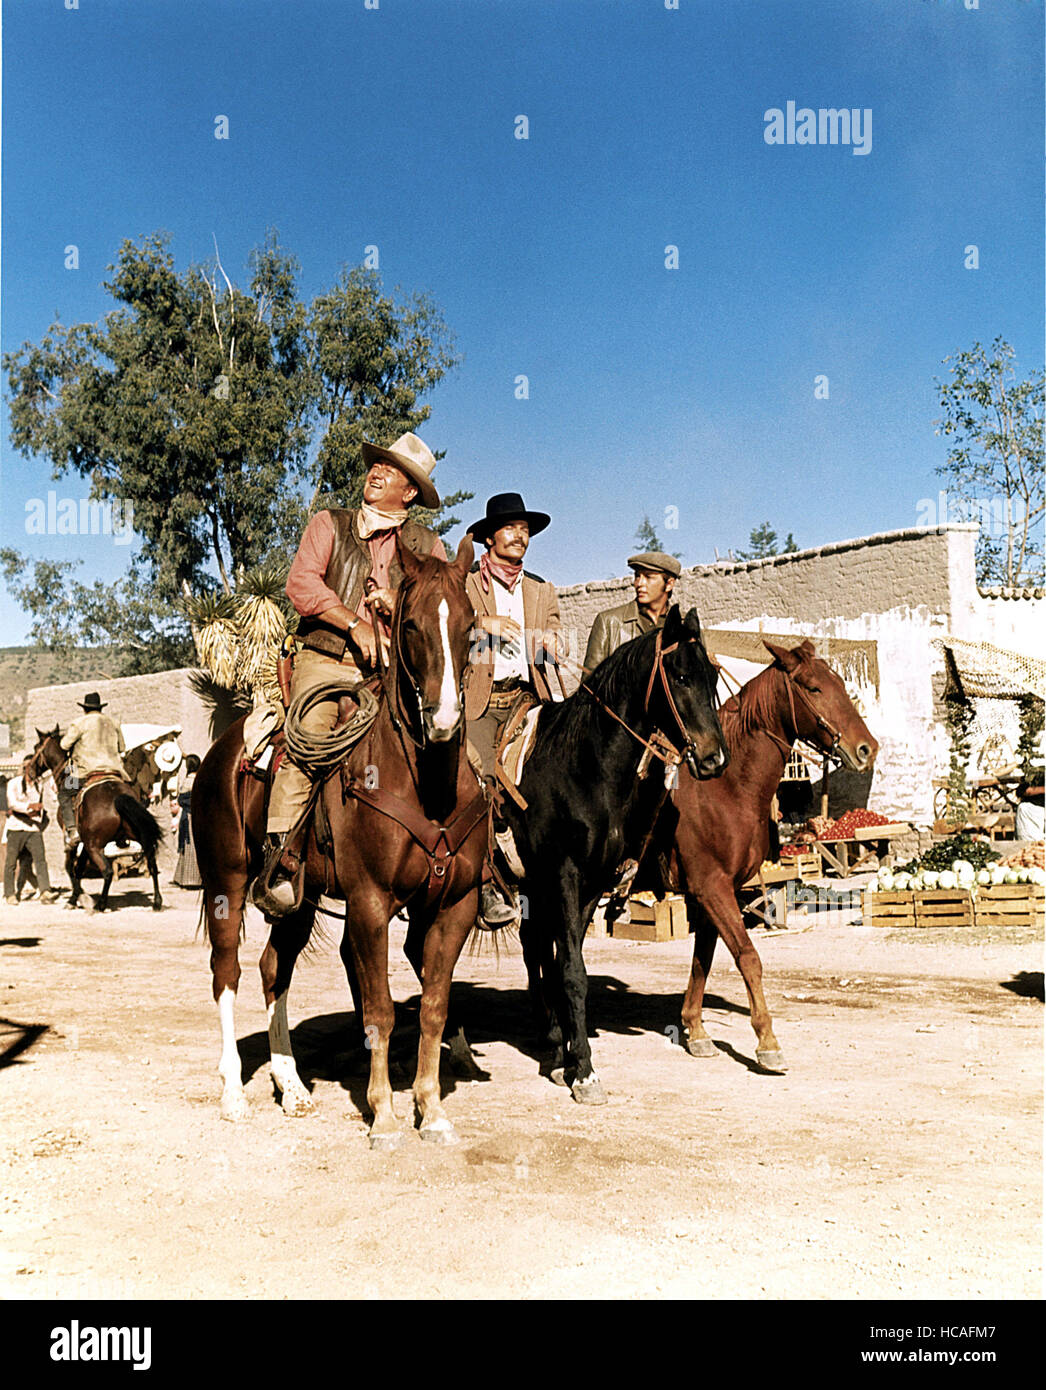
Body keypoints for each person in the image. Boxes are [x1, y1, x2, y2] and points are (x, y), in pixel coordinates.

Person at [254, 431, 447, 916]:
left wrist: (395, 605)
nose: (376, 471)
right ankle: (281, 859)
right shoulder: (330, 523)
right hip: (327, 660)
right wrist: (355, 622)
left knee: (444, 744)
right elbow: (301, 584)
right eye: (377, 465)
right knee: (309, 740)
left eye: (391, 470)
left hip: (392, 672)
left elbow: (439, 601)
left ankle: (468, 865)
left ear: (409, 493)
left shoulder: (428, 545)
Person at [464, 492, 564, 926]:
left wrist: (552, 642)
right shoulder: (465, 583)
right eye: (511, 528)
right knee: (480, 780)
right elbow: (444, 628)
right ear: (489, 538)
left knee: (558, 773)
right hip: (482, 701)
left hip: (529, 695)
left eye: (525, 531)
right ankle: (487, 880)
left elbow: (557, 626)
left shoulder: (541, 589)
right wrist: (480, 626)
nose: (520, 536)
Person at [582, 550, 681, 677]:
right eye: (637, 576)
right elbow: (589, 684)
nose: (639, 584)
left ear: (669, 584)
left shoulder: (683, 626)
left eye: (648, 577)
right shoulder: (608, 622)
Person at [3, 757, 59, 904]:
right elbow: (13, 803)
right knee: (11, 862)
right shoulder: (13, 783)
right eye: (30, 767)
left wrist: (37, 812)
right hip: (16, 828)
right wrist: (29, 807)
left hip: (33, 829)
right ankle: (10, 894)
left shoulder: (38, 786)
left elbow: (40, 806)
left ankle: (45, 891)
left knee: (41, 861)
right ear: (25, 768)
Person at [173, 754, 202, 888]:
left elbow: (181, 800)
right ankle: (196, 879)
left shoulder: (186, 781)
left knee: (188, 845)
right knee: (197, 846)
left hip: (188, 816)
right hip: (197, 816)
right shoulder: (200, 780)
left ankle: (185, 878)